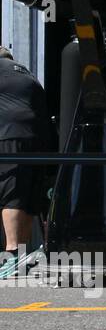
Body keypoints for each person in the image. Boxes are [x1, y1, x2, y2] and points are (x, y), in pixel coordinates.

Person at [0, 47, 52, 279]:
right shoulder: (27, 74)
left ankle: (11, 254)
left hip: (9, 133)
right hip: (35, 137)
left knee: (10, 192)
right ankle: (21, 255)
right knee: (28, 195)